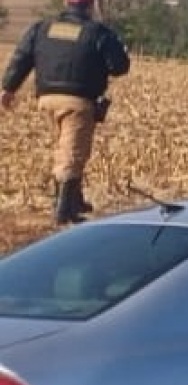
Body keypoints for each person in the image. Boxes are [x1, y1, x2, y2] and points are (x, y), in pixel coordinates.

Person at [1, 0, 130, 225]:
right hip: (78, 101)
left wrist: (8, 88)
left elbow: (22, 58)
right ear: (91, 6)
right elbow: (120, 66)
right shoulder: (97, 32)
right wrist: (105, 32)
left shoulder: (43, 27)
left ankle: (75, 199)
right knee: (74, 153)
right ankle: (63, 210)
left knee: (65, 148)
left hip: (46, 98)